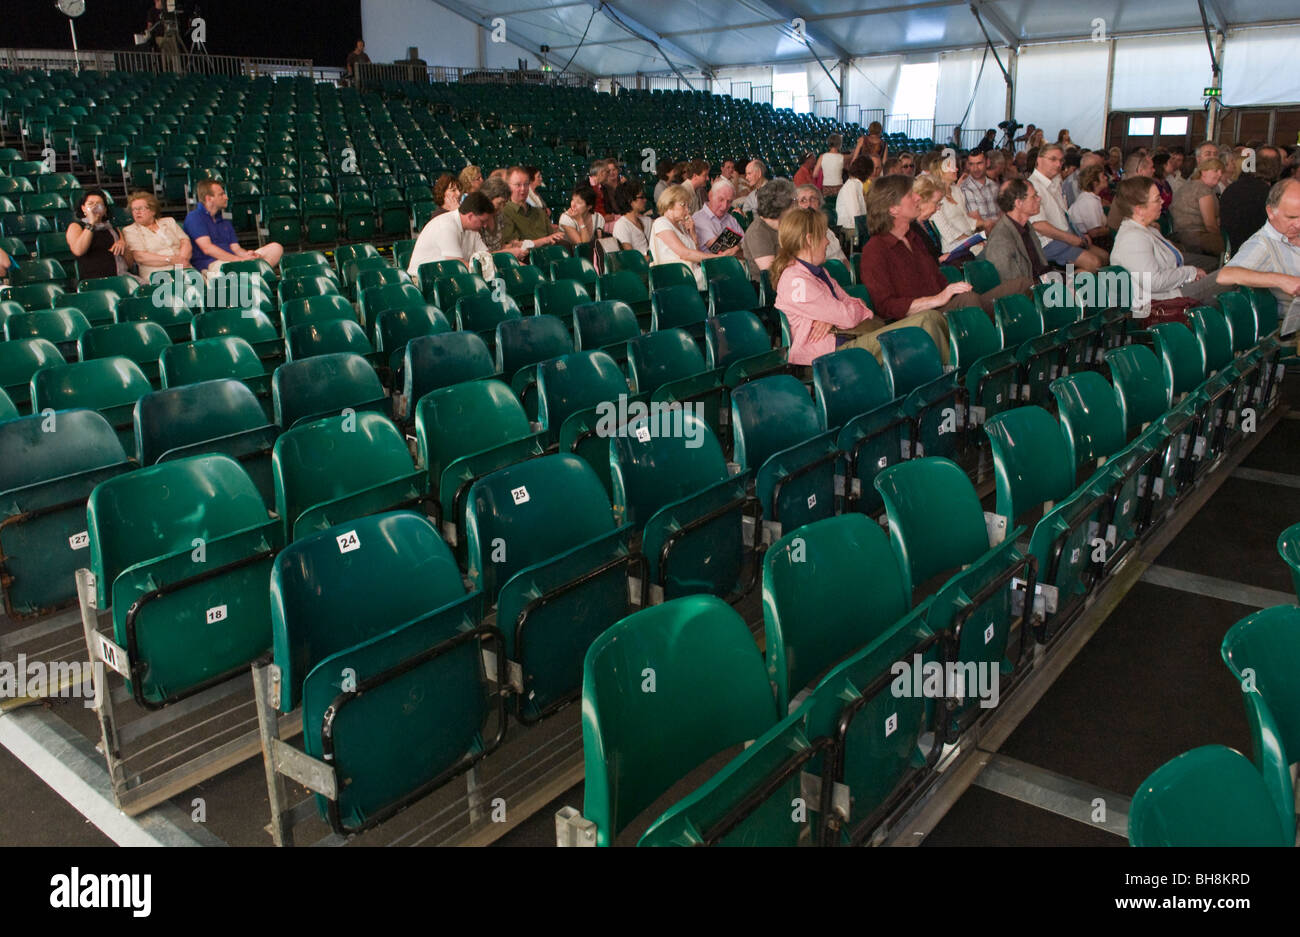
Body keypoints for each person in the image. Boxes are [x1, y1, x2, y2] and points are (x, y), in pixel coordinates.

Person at [855, 175, 979, 361]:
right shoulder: (875, 251)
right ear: (893, 209)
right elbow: (886, 306)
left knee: (1012, 290)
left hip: (940, 308)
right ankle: (969, 374)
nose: (918, 198)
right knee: (972, 301)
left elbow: (937, 280)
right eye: (910, 195)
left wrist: (947, 294)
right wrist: (937, 299)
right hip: (916, 321)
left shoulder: (914, 238)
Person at [772, 208, 873, 366]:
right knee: (914, 330)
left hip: (847, 343)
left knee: (914, 330)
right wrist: (839, 317)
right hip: (829, 357)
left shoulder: (820, 272)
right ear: (809, 240)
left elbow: (854, 305)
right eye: (824, 235)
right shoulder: (796, 281)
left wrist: (832, 320)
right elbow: (847, 316)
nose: (827, 242)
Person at [1111, 176, 1226, 306]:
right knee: (1230, 278)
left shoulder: (1146, 229)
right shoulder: (1133, 238)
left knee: (1222, 273)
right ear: (1139, 209)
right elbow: (1153, 282)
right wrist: (1190, 273)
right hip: (1162, 301)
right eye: (1157, 200)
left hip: (1171, 290)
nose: (1163, 201)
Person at [1216, 178, 1300, 340]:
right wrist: (1282, 280)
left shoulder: (1292, 233)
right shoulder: (1263, 244)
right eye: (1291, 217)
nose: (1298, 224)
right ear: (1271, 212)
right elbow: (1225, 275)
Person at [1029, 144, 1108, 272]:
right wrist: (1071, 238)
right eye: (1053, 159)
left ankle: (1083, 287)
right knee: (1094, 263)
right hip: (1047, 242)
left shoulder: (1055, 182)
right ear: (1039, 160)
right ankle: (1069, 290)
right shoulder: (1032, 186)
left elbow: (1064, 217)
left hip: (1064, 237)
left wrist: (1078, 234)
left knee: (1104, 257)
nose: (1058, 164)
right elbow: (1039, 226)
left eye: (1061, 161)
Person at [183, 180, 283, 277]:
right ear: (209, 198)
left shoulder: (224, 221)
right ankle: (255, 273)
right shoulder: (194, 217)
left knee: (275, 248)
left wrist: (247, 255)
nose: (226, 197)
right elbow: (207, 249)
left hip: (234, 260)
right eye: (221, 194)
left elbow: (235, 248)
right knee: (232, 269)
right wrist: (239, 260)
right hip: (211, 264)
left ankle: (254, 273)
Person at [651, 184, 737, 290]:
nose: (688, 210)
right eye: (683, 205)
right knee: (727, 274)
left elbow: (694, 254)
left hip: (691, 273)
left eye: (688, 206)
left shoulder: (680, 226)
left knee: (730, 272)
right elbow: (685, 254)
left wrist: (692, 233)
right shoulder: (661, 223)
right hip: (677, 276)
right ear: (669, 204)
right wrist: (720, 258)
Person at [406, 191, 494, 276]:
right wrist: (487, 273)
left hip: (444, 277)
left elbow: (486, 256)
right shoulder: (446, 225)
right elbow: (458, 265)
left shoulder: (472, 230)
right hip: (422, 281)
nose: (485, 225)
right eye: (483, 221)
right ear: (470, 216)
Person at [983, 179, 1050, 286]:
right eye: (1034, 196)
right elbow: (1012, 284)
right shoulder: (1001, 238)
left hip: (1043, 283)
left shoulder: (1026, 226)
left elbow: (1041, 266)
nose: (1039, 198)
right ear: (1019, 203)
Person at [1220, 146, 1282, 256]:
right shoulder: (1271, 196)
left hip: (1233, 254)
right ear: (1277, 169)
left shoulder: (1230, 189)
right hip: (1260, 256)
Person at [121, 190, 191, 281]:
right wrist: (170, 260)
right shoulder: (130, 230)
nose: (137, 212)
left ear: (153, 211)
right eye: (134, 209)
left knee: (201, 286)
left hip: (183, 266)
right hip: (156, 273)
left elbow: (185, 241)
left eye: (141, 208)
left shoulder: (169, 221)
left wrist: (182, 259)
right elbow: (140, 256)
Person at [1170, 158, 1225, 261]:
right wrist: (1224, 238)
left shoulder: (1187, 185)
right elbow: (1210, 225)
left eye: (1221, 171)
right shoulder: (1203, 190)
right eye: (1215, 170)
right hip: (1197, 237)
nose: (1220, 174)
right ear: (1203, 171)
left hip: (1179, 235)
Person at [67, 189, 126, 281]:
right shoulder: (76, 226)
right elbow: (78, 251)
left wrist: (123, 245)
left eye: (99, 204)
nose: (95, 207)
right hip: (93, 279)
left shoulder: (114, 229)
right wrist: (91, 223)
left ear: (105, 209)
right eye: (90, 204)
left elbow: (129, 263)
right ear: (83, 208)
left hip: (119, 276)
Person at [500, 166, 564, 252]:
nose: (523, 189)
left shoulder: (540, 212)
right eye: (518, 185)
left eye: (526, 184)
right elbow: (515, 246)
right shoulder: (505, 212)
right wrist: (545, 240)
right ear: (508, 186)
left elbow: (552, 237)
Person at [742, 178, 794, 280]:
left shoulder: (786, 225)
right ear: (782, 206)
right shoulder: (757, 231)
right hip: (768, 288)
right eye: (792, 201)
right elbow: (771, 273)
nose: (795, 205)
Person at [793, 183, 850, 266]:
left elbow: (843, 259)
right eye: (803, 200)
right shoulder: (796, 234)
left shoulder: (827, 230)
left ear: (819, 203)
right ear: (796, 206)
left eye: (812, 199)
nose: (808, 204)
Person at [692, 179, 743, 250]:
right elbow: (719, 248)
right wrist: (739, 247)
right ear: (710, 196)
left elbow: (746, 244)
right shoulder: (698, 219)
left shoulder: (731, 219)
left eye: (729, 201)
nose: (724, 206)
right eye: (721, 200)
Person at [1067, 165, 1110, 246]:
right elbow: (1095, 233)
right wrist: (1113, 229)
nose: (1106, 178)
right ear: (1095, 182)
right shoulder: (1089, 201)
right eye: (1103, 176)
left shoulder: (1089, 198)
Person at [959, 150, 1000, 229]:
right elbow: (977, 223)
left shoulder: (994, 186)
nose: (975, 169)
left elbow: (1002, 213)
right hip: (985, 234)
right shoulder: (965, 188)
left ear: (987, 163)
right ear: (968, 165)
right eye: (971, 164)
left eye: (979, 163)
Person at [834, 156, 869, 244]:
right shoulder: (851, 186)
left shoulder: (857, 185)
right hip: (849, 229)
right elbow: (855, 214)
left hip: (857, 226)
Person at [612, 180, 653, 254]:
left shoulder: (646, 220)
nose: (645, 200)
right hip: (641, 264)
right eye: (641, 197)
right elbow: (631, 257)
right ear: (630, 200)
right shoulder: (621, 225)